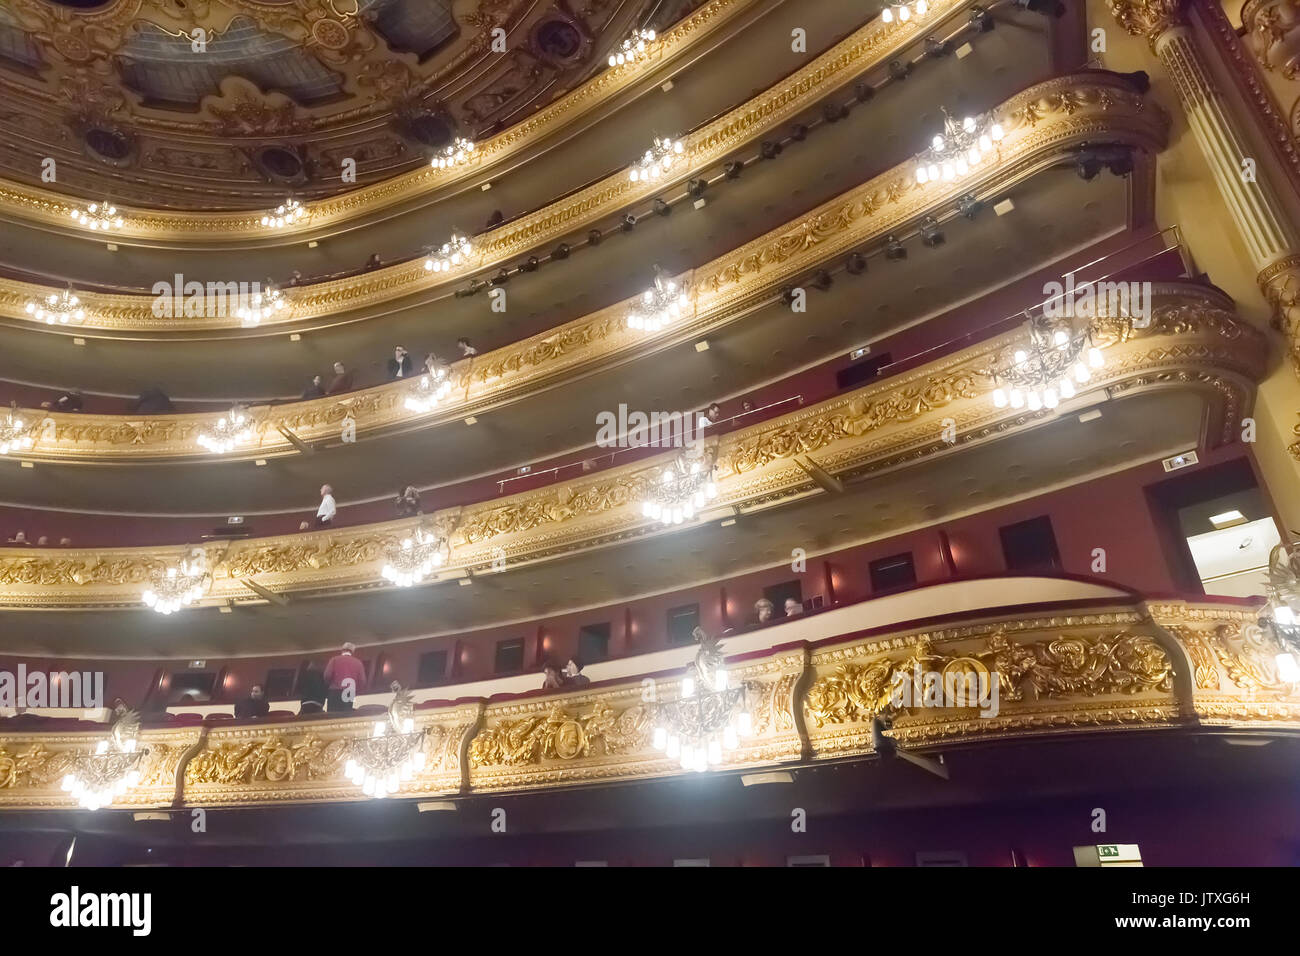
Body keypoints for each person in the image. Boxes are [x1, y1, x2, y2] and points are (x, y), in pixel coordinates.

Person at [323, 642, 366, 713]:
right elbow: (362, 681)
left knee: (332, 715)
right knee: (346, 714)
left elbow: (327, 675)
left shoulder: (334, 660)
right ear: (352, 651)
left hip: (335, 691)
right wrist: (355, 691)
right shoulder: (358, 663)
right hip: (350, 692)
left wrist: (329, 685)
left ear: (342, 650)